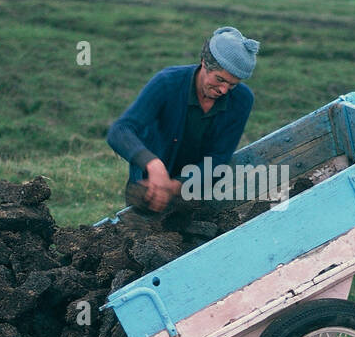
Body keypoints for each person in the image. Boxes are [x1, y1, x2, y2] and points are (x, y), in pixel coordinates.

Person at [107, 26, 259, 213]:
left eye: (232, 84)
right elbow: (120, 130)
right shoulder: (167, 83)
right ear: (204, 62)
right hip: (148, 191)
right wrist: (153, 165)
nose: (224, 90)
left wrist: (178, 186)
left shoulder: (242, 100)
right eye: (219, 79)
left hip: (197, 192)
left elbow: (219, 156)